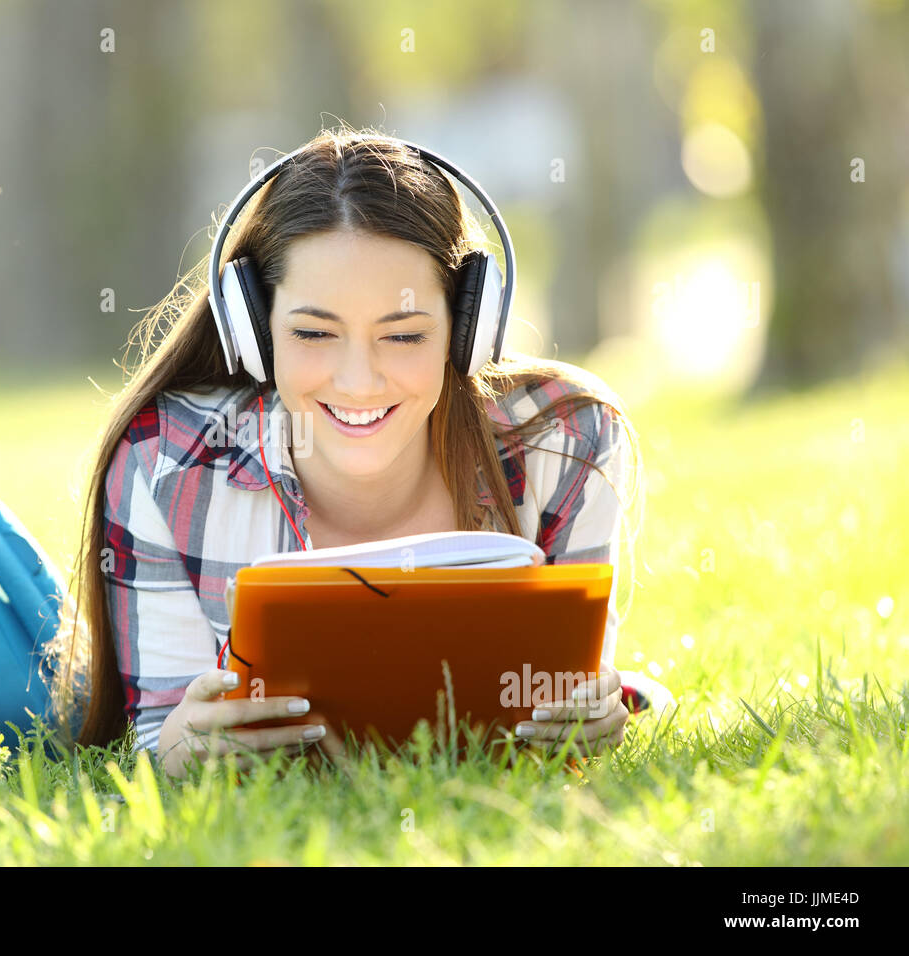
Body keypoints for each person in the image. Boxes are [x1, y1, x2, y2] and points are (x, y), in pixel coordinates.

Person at [48, 126, 649, 779]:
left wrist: (590, 717)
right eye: (313, 332)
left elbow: (571, 704)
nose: (359, 381)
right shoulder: (166, 462)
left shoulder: (566, 441)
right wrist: (180, 749)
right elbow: (157, 737)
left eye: (403, 335)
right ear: (254, 332)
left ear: (465, 332)